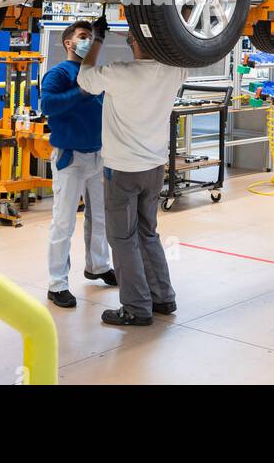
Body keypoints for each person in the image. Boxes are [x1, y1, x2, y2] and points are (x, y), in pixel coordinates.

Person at [77, 16, 187, 327]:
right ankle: (162, 297)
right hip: (154, 169)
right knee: (147, 232)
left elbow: (85, 79)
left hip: (123, 172)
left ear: (135, 43)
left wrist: (96, 40)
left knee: (122, 238)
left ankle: (137, 307)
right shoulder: (173, 70)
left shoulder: (118, 73)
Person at [40, 20, 116, 308]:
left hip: (97, 155)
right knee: (63, 222)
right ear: (68, 43)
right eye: (83, 36)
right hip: (69, 158)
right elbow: (48, 105)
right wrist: (81, 92)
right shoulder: (59, 73)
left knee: (100, 217)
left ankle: (98, 265)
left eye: (92, 38)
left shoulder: (94, 73)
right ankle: (57, 283)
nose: (88, 41)